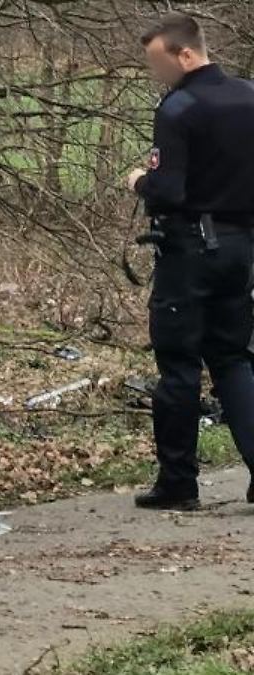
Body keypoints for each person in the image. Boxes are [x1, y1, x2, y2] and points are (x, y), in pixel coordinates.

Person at [126, 13, 254, 510]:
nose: (158, 74)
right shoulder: (249, 96)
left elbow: (168, 191)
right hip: (241, 247)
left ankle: (178, 483)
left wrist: (139, 180)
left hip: (189, 251)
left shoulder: (179, 108)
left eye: (159, 64)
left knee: (178, 364)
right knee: (233, 360)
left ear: (185, 54)